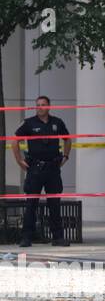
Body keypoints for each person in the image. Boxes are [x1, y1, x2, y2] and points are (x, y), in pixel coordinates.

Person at [11, 96, 71, 247]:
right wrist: (19, 160)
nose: (40, 107)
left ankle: (58, 237)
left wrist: (66, 156)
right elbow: (14, 140)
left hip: (53, 169)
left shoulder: (57, 122)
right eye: (37, 105)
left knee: (55, 204)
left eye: (43, 105)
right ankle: (26, 237)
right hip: (35, 169)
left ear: (49, 106)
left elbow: (67, 139)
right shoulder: (29, 123)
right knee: (31, 204)